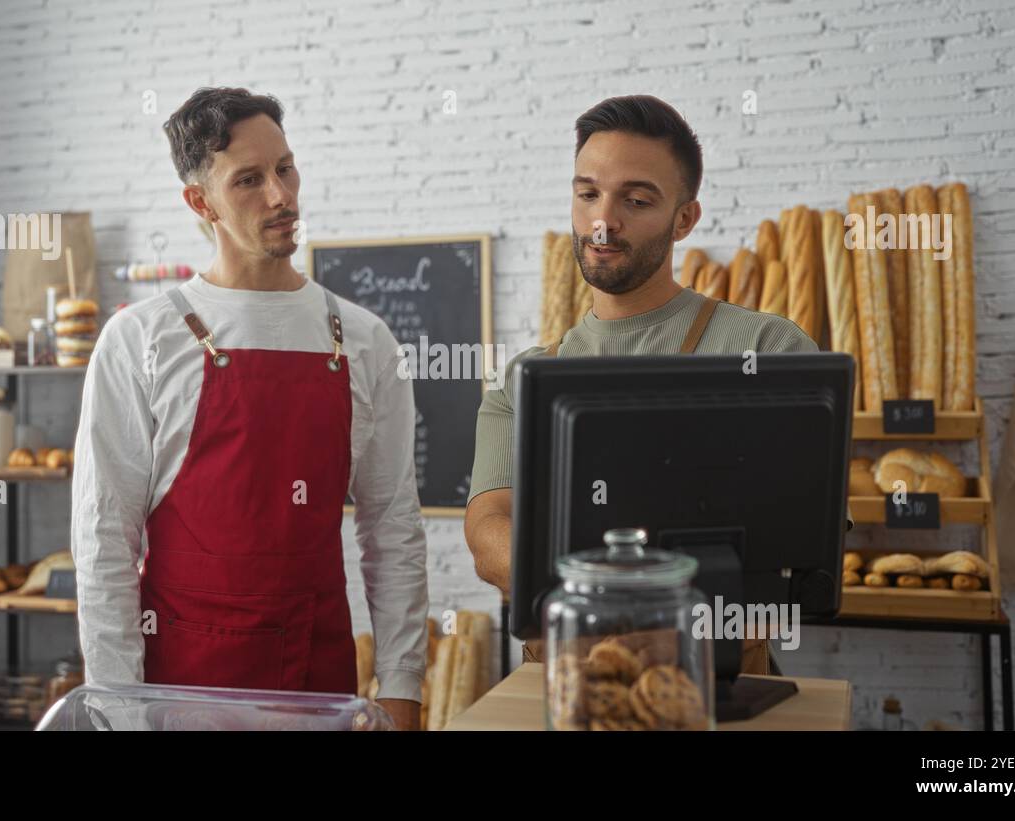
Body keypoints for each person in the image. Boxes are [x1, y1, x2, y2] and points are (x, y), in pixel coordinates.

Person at [71, 87, 427, 730]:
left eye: (286, 168)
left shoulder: (364, 339)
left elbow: (393, 528)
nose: (281, 196)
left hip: (320, 684)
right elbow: (104, 545)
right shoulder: (142, 339)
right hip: (180, 693)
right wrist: (120, 711)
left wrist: (402, 687)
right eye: (249, 180)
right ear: (200, 202)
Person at [464, 95, 820, 669]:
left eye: (635, 199)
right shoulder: (525, 377)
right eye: (588, 195)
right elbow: (488, 535)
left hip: (716, 683)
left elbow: (802, 545)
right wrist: (618, 604)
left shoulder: (767, 350)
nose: (604, 220)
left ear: (685, 218)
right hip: (562, 682)